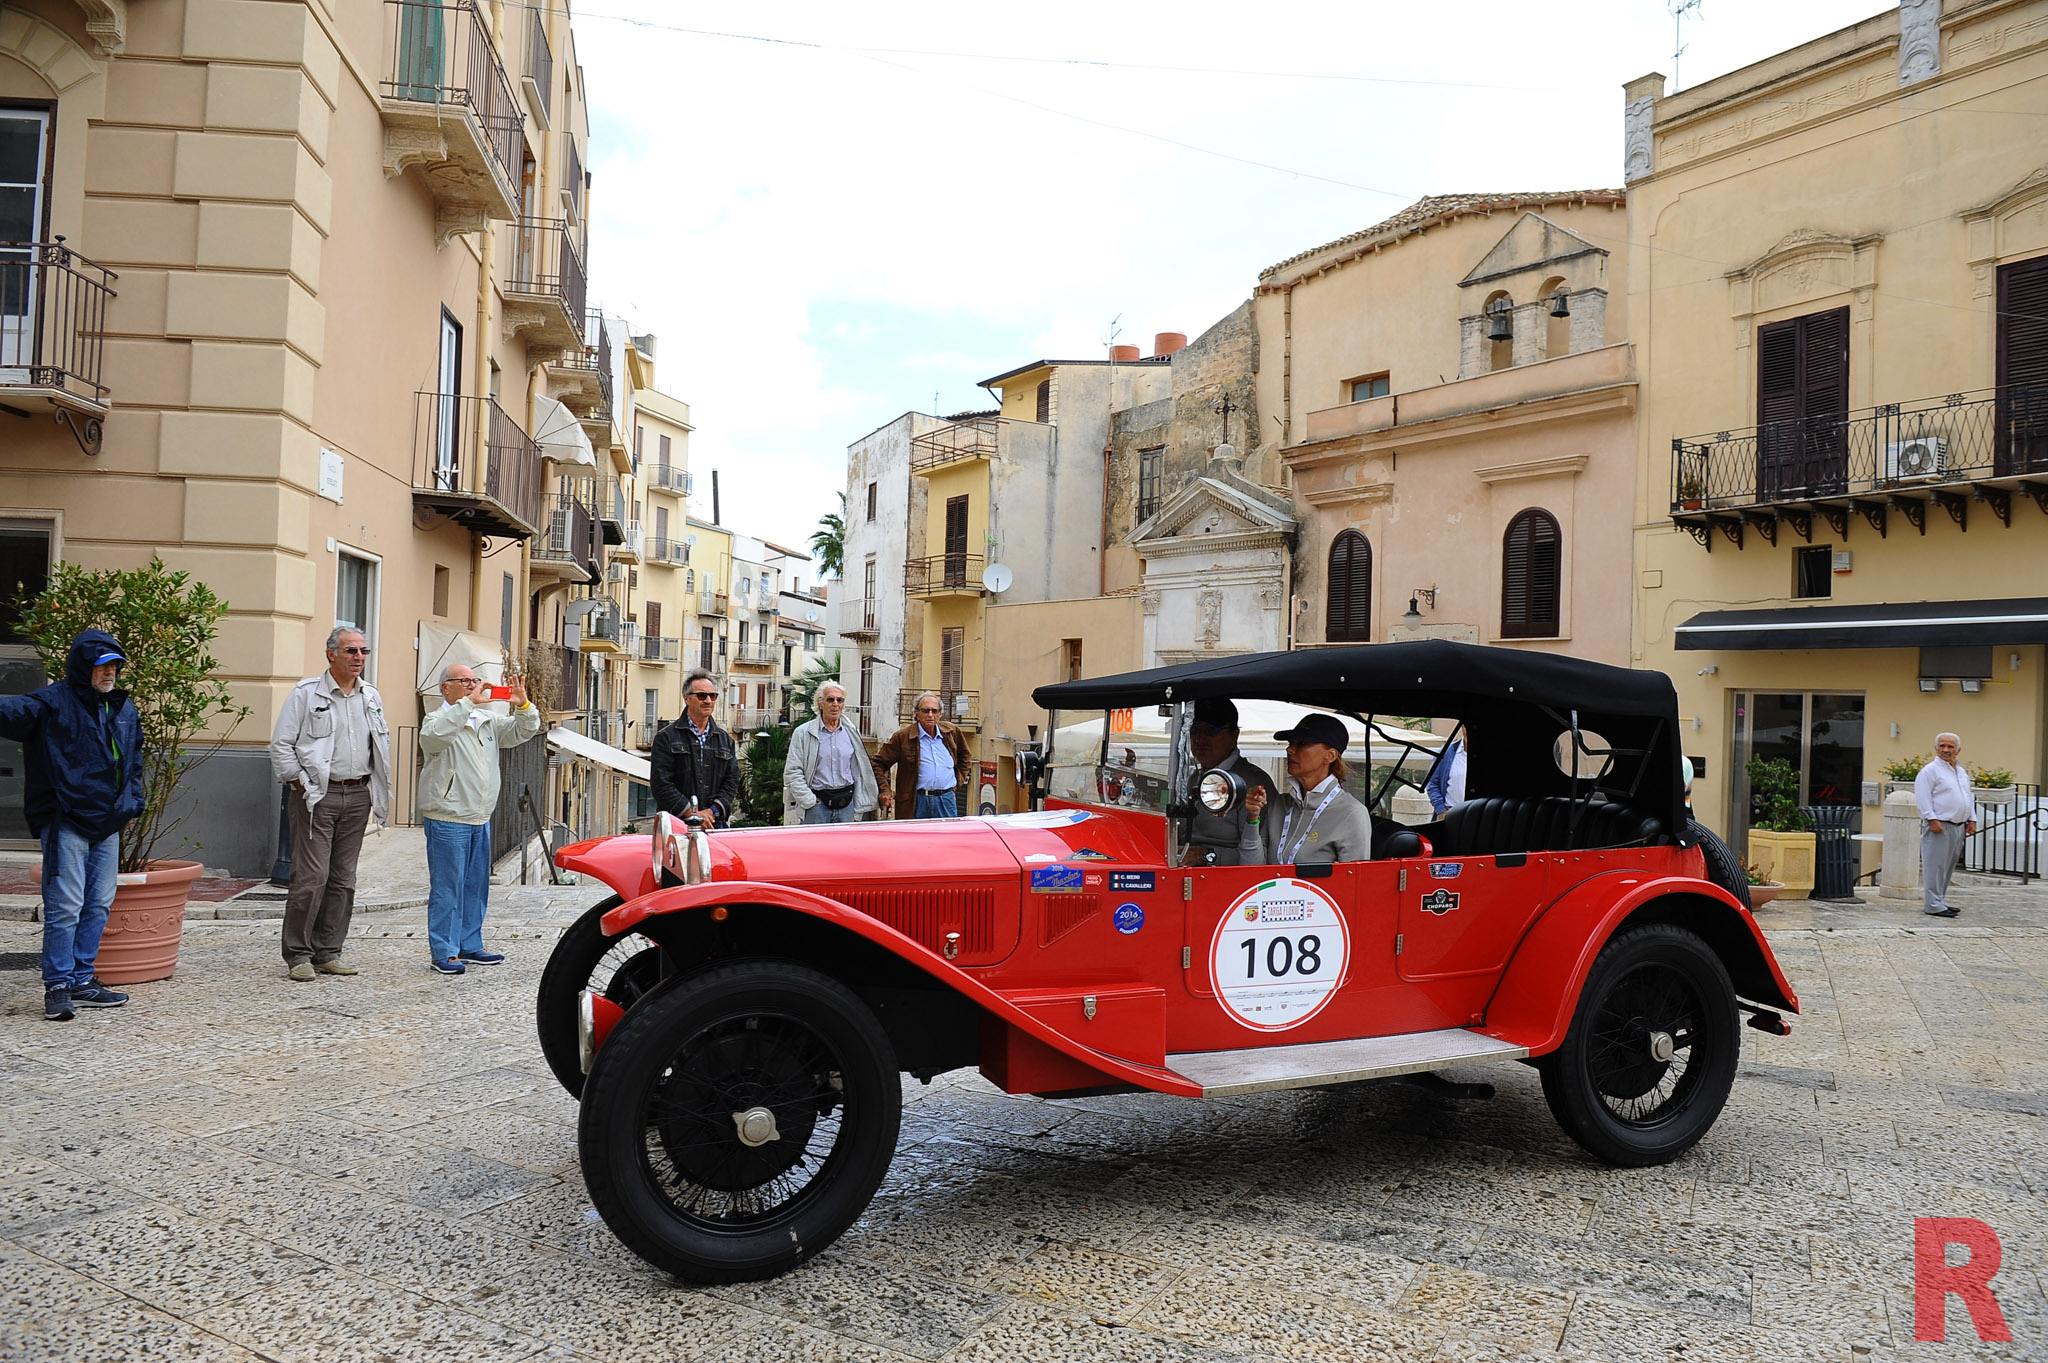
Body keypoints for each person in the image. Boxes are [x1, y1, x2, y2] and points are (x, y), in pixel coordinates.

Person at [0, 630, 144, 1021]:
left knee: (97, 904)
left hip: (107, 822)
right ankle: (59, 986)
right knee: (65, 907)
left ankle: (82, 980)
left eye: (115, 664)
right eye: (103, 665)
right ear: (84, 667)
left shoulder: (122, 708)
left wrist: (133, 802)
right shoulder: (50, 704)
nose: (110, 672)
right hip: (65, 821)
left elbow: (133, 760)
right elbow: (8, 713)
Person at [270, 626, 391, 982]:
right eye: (351, 651)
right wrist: (301, 784)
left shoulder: (371, 696)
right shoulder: (307, 694)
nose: (358, 658)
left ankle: (328, 952)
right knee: (312, 876)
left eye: (363, 652)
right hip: (317, 797)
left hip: (358, 795)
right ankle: (298, 955)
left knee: (343, 878)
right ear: (331, 654)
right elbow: (281, 746)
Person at [416, 664, 542, 974]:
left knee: (475, 886)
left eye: (474, 680)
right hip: (448, 817)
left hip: (479, 816)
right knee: (448, 887)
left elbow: (523, 731)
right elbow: (434, 740)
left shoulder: (487, 721)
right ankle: (444, 951)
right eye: (465, 681)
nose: (473, 685)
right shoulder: (436, 719)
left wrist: (523, 704)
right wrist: (468, 703)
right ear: (446, 688)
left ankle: (470, 944)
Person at [1237, 712, 1375, 865]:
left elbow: (1354, 882)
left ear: (1330, 756)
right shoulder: (1280, 803)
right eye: (1290, 743)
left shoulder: (1352, 813)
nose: (1290, 749)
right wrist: (1252, 818)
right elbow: (1252, 868)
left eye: (1302, 743)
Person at [1183, 698, 1277, 865]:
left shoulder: (1253, 781)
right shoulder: (1192, 777)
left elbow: (1259, 858)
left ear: (1234, 735)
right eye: (1194, 730)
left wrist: (1206, 855)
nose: (1199, 739)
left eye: (1211, 731)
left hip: (1227, 882)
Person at [650, 670, 740, 826]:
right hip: (676, 826)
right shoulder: (666, 737)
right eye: (701, 696)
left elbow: (731, 781)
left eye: (713, 696)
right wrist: (694, 815)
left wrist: (712, 811)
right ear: (686, 698)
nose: (708, 700)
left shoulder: (725, 740)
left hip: (714, 824)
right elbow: (661, 784)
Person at [783, 683, 878, 824]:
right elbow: (793, 771)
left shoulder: (852, 732)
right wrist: (809, 800)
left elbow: (859, 769)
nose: (835, 704)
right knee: (815, 846)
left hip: (847, 805)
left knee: (844, 846)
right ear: (820, 704)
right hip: (817, 806)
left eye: (840, 700)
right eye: (830, 699)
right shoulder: (803, 733)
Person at [873, 692, 971, 819]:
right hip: (916, 801)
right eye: (925, 711)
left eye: (934, 711)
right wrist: (885, 790)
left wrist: (956, 782)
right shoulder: (903, 737)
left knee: (947, 837)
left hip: (945, 799)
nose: (930, 715)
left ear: (940, 714)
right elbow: (877, 763)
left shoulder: (951, 732)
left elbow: (965, 757)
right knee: (915, 838)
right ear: (917, 714)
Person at [1914, 731, 1977, 919]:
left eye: (1950, 746)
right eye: (1942, 746)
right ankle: (1932, 904)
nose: (1946, 750)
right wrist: (1931, 819)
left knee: (1948, 866)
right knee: (1935, 866)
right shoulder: (1930, 771)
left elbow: (1968, 796)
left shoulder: (1961, 771)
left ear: (1958, 750)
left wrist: (1972, 818)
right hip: (1939, 824)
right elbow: (1923, 797)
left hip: (1958, 825)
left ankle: (1940, 900)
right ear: (1936, 748)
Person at [1425, 731, 1469, 818]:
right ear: (1462, 727)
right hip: (1450, 813)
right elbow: (1432, 783)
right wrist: (1441, 810)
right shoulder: (1445, 752)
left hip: (1480, 815)